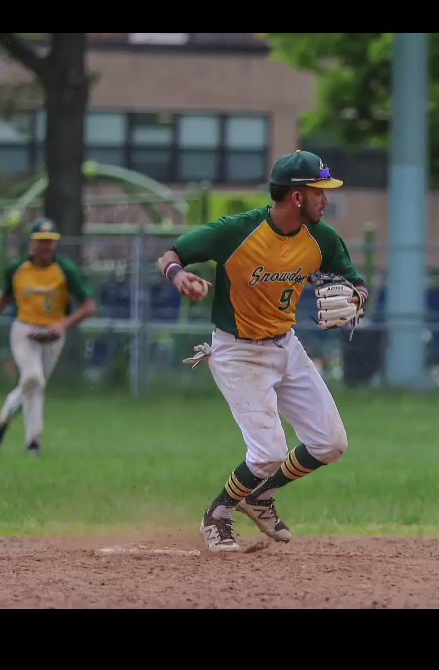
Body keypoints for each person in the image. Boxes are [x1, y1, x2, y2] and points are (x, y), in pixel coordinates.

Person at [158, 150, 370, 552]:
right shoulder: (238, 231)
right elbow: (171, 254)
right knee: (268, 452)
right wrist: (179, 275)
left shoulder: (322, 238)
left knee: (330, 443)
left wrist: (357, 300)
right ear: (296, 197)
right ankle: (218, 513)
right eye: (319, 191)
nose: (326, 199)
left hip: (286, 347)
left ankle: (259, 496)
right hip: (237, 352)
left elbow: (356, 282)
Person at [0, 218, 96, 457]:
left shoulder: (65, 269)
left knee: (34, 386)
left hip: (52, 335)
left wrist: (63, 325)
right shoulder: (18, 269)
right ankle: (34, 443)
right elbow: (4, 299)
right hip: (25, 331)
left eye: (50, 242)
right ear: (31, 243)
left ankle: (2, 419)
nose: (46, 247)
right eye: (41, 242)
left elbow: (89, 307)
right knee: (34, 378)